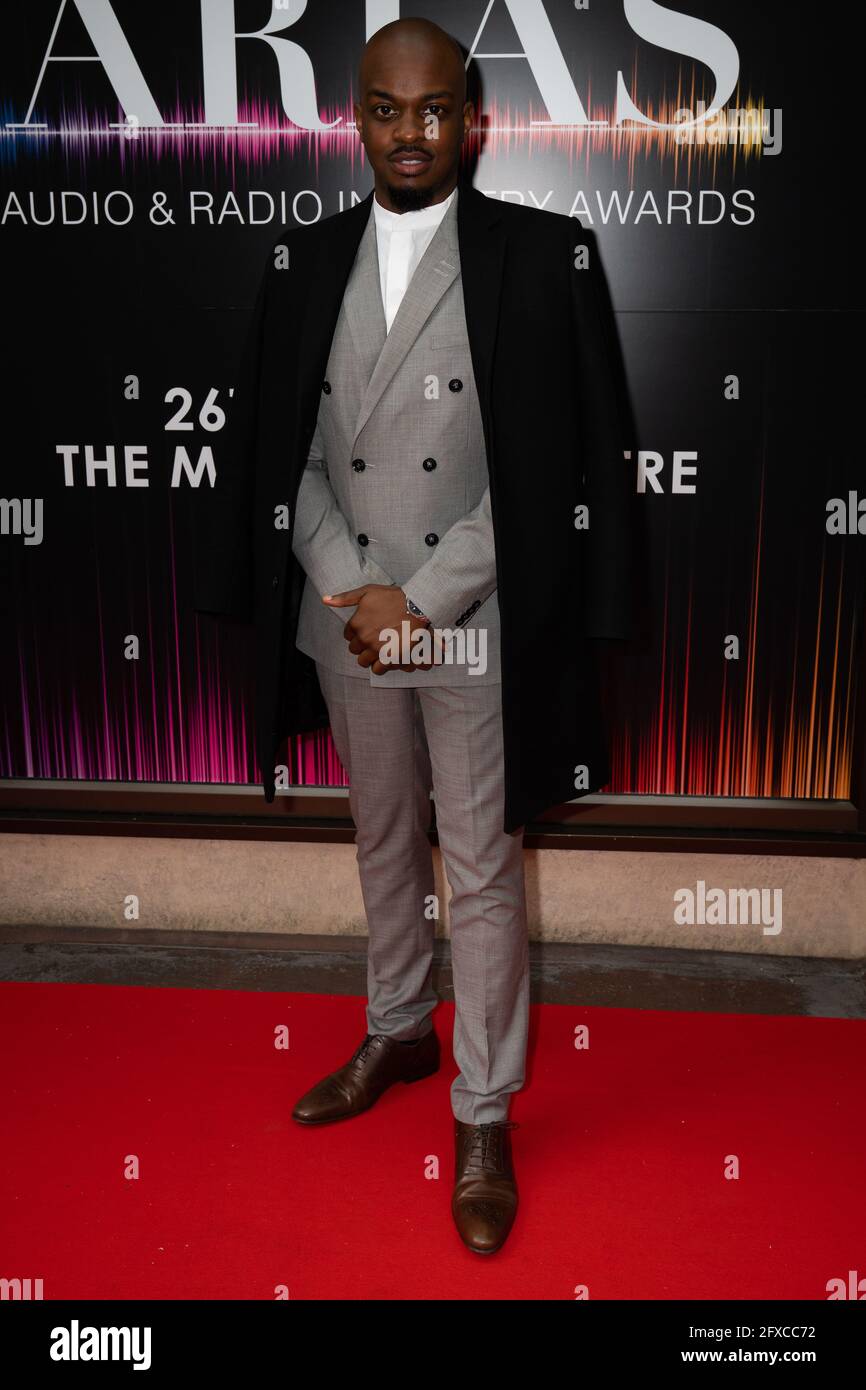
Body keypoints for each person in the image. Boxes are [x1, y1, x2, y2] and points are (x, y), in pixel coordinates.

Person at [193, 16, 633, 1257]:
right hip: (349, 619)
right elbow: (279, 454)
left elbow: (554, 477)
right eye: (386, 110)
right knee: (381, 836)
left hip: (467, 622)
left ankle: (483, 1108)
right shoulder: (304, 259)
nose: (409, 131)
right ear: (356, 117)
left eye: (433, 108)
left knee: (480, 861)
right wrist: (350, 588)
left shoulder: (544, 257)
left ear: (469, 119)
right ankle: (396, 1025)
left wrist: (421, 601)